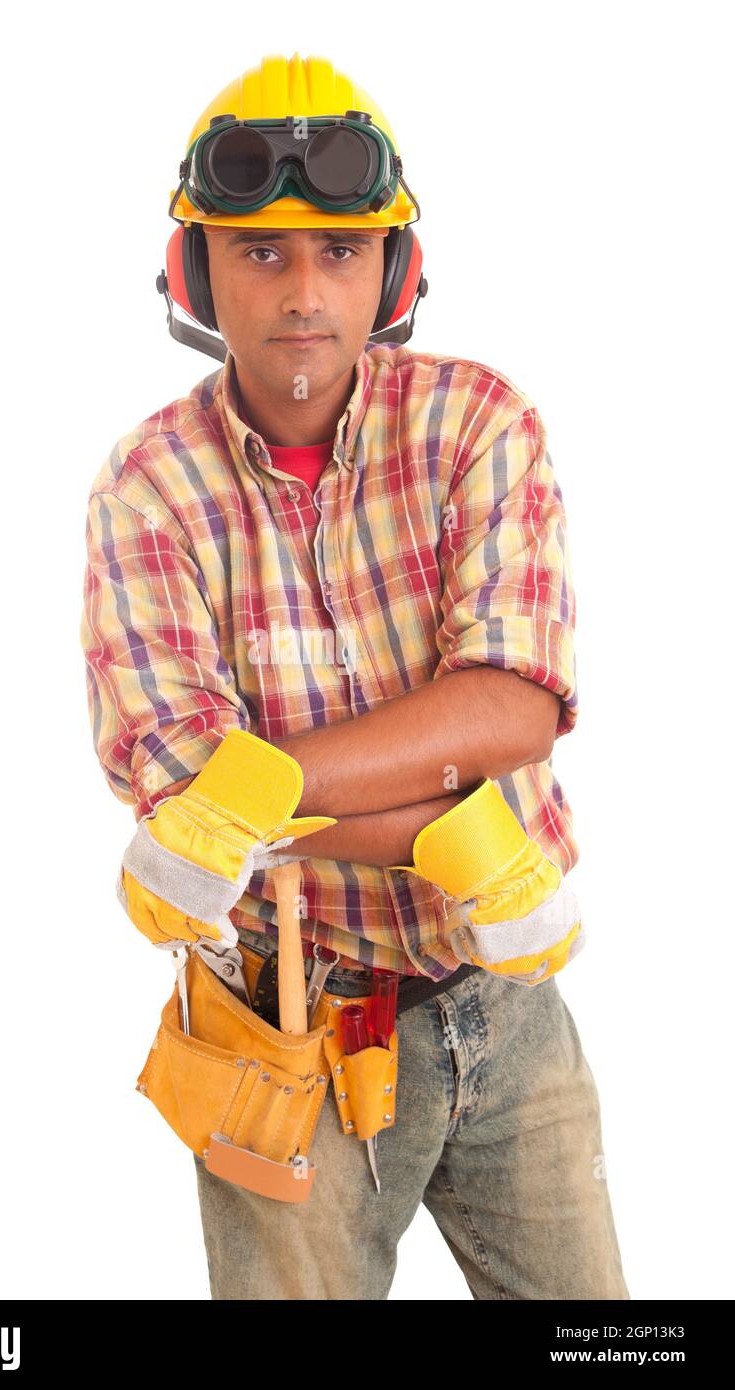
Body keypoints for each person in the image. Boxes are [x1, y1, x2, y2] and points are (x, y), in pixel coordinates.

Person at [80, 52, 630, 1300]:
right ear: (192, 272)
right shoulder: (148, 490)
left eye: (337, 249)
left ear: (392, 269)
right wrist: (454, 825)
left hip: (508, 1008)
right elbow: (175, 784)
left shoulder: (478, 424)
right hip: (286, 1028)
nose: (302, 291)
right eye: (259, 252)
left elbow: (511, 699)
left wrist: (252, 791)